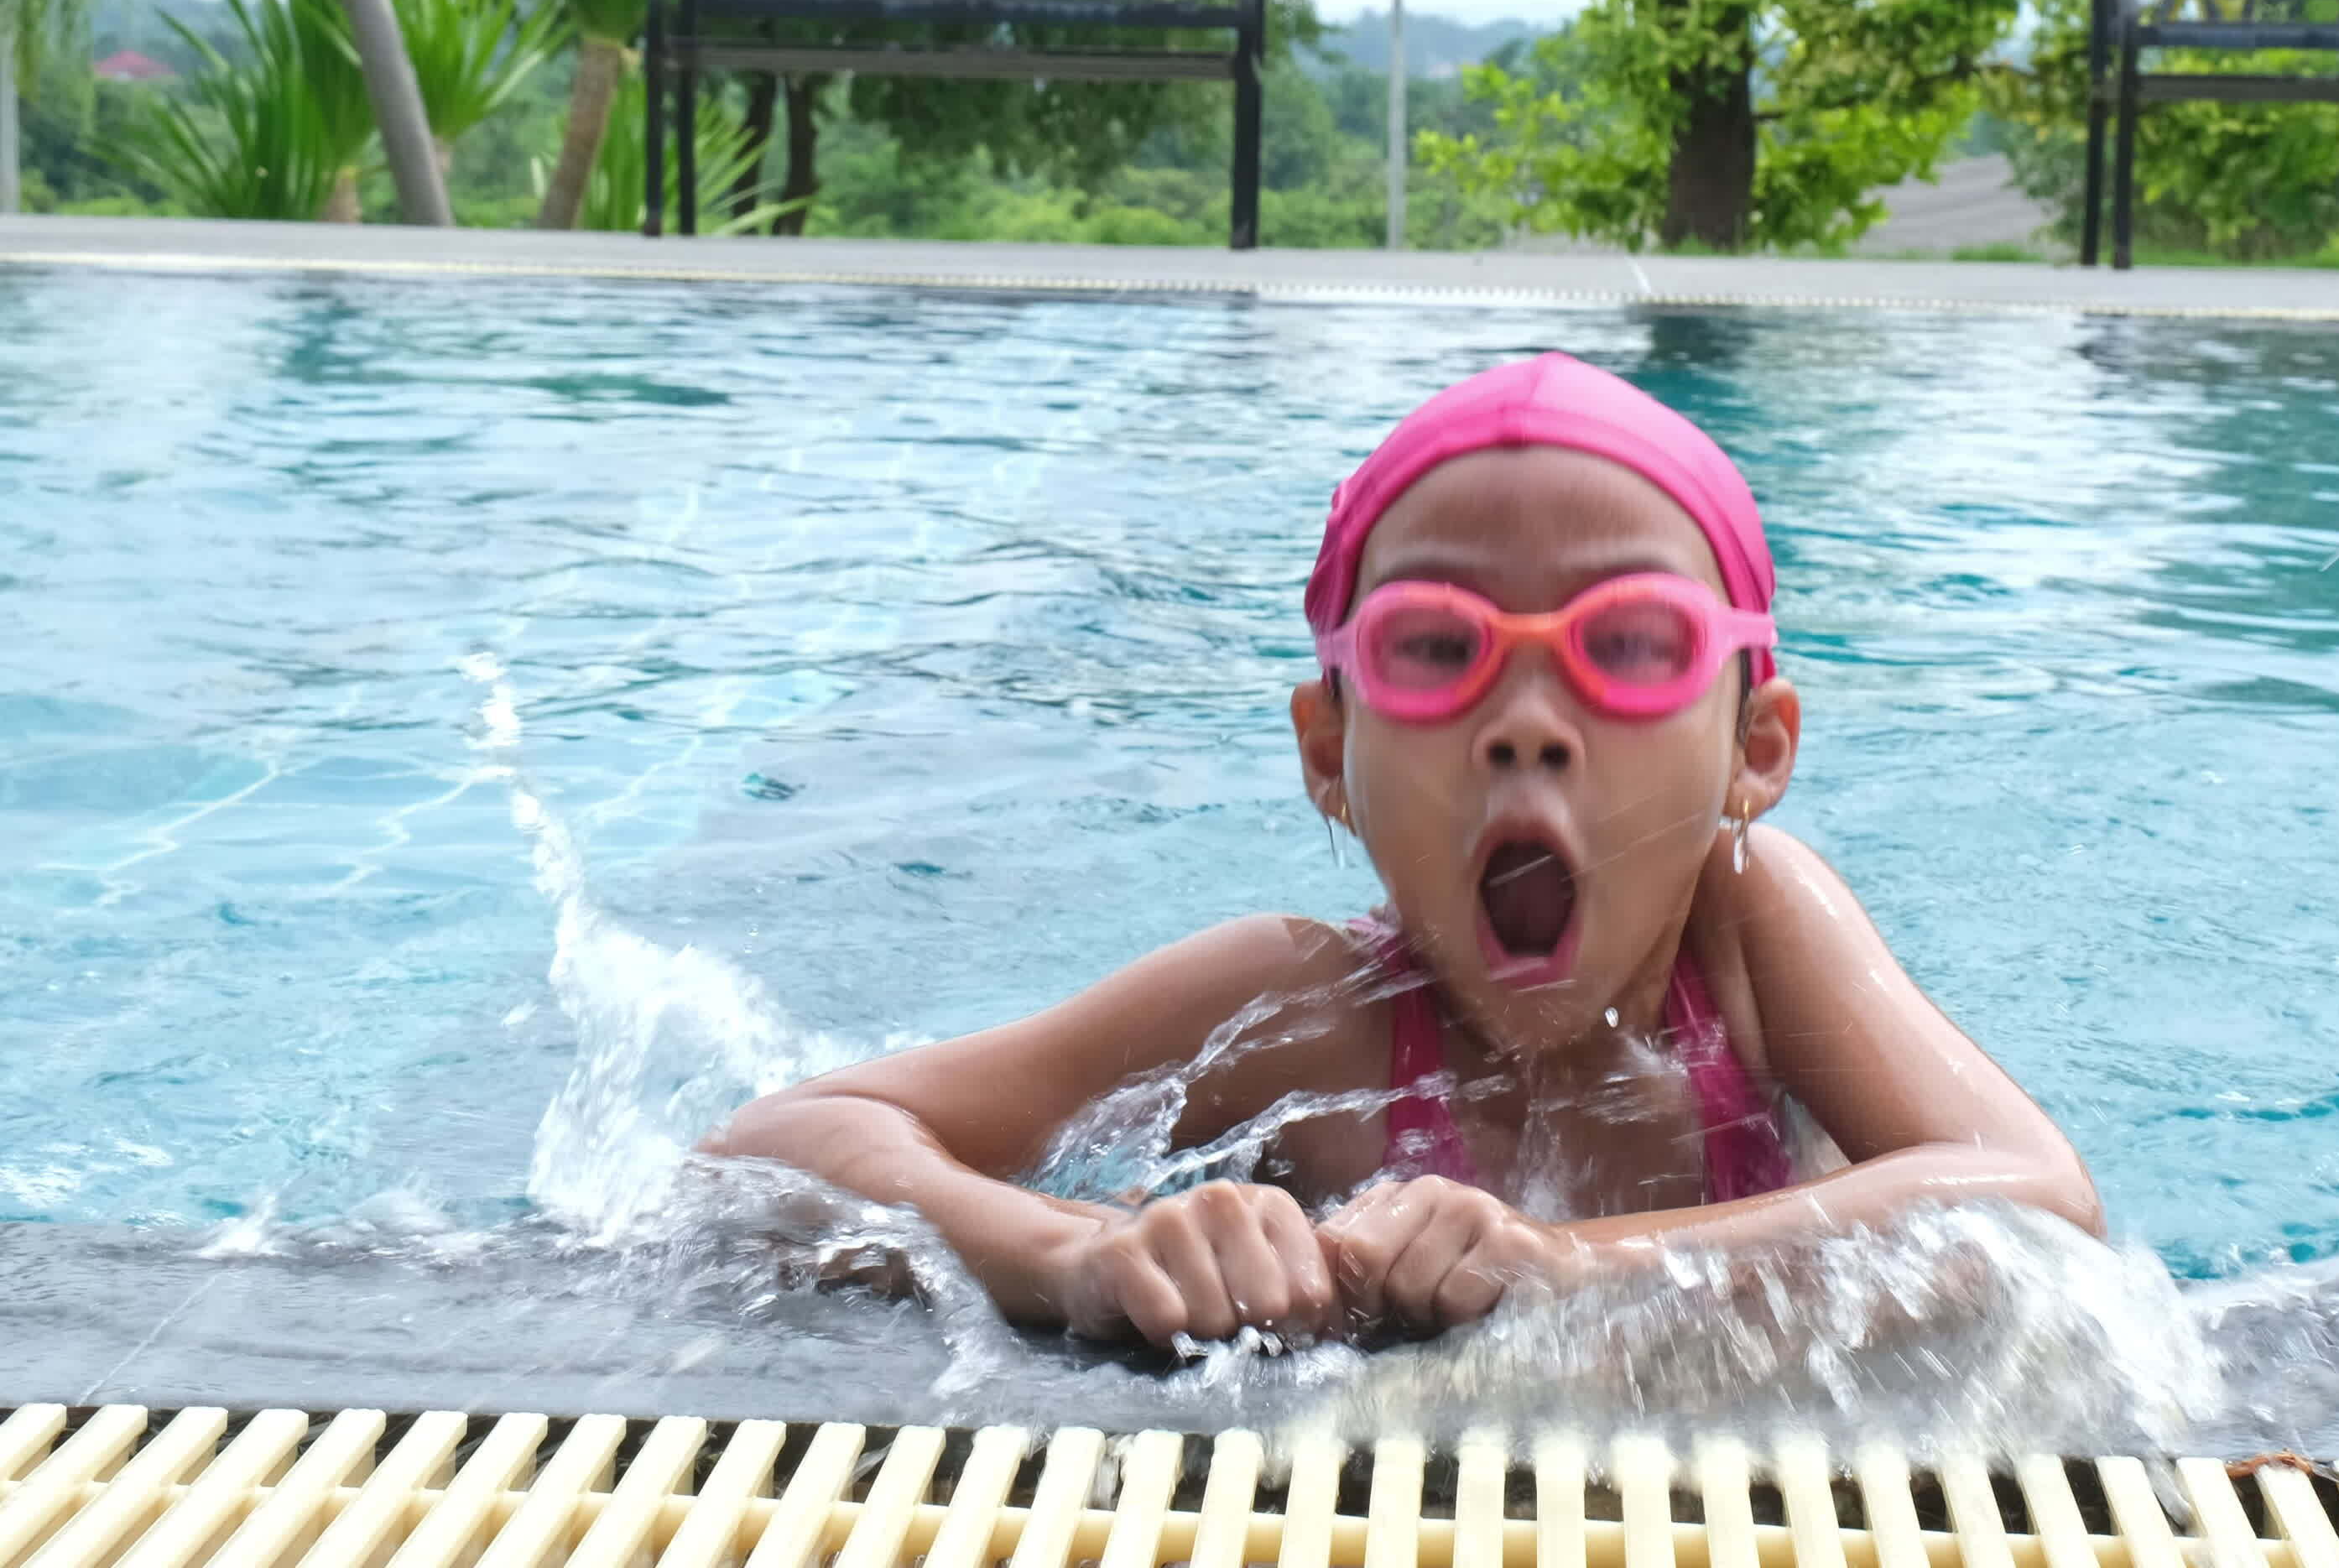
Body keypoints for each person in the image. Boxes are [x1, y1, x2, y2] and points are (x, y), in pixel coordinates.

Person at [703, 352, 2099, 1348]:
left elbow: (2037, 1204)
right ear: (1330, 751)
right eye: (1438, 652)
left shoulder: (1749, 936)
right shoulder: (1300, 1014)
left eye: (1630, 649)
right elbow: (771, 1152)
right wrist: (1078, 1256)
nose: (1529, 728)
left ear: (1756, 752)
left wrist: (1571, 1268)